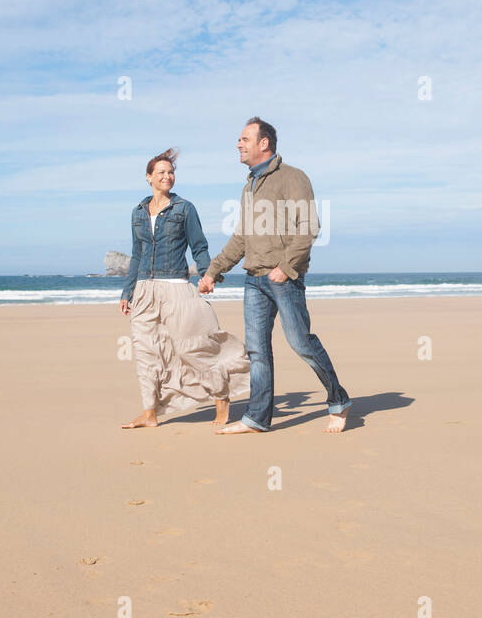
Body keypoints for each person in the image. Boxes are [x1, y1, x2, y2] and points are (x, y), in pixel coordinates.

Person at [198, 117, 352, 435]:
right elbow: (242, 237)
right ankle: (257, 418)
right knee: (257, 351)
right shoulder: (249, 186)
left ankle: (339, 401)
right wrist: (214, 270)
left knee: (301, 343)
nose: (238, 144)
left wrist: (286, 266)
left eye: (244, 139)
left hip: (283, 278)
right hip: (254, 280)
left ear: (263, 143)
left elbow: (309, 226)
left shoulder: (292, 178)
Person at [118, 149, 249, 429]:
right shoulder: (137, 213)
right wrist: (127, 292)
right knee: (146, 352)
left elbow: (198, 246)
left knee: (194, 346)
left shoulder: (185, 209)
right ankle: (150, 413)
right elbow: (137, 255)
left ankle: (221, 398)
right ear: (149, 177)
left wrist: (208, 274)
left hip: (175, 286)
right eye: (161, 172)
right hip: (143, 289)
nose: (167, 176)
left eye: (171, 172)